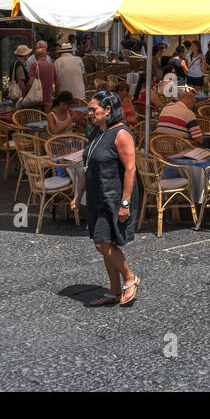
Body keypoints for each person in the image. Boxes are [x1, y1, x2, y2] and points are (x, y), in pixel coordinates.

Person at [73, 91, 141, 306]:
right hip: (97, 196)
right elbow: (87, 167)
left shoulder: (121, 133)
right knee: (103, 242)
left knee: (102, 243)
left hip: (114, 197)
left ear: (108, 109)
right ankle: (113, 291)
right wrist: (78, 194)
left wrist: (125, 203)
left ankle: (130, 278)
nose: (90, 113)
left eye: (94, 109)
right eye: (89, 109)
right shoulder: (96, 132)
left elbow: (130, 168)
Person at [28, 41, 58, 111]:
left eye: (44, 48)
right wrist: (57, 95)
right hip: (48, 98)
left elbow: (30, 83)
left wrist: (25, 94)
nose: (43, 50)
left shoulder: (35, 65)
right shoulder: (51, 65)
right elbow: (57, 82)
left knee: (37, 118)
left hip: (36, 98)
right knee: (48, 118)